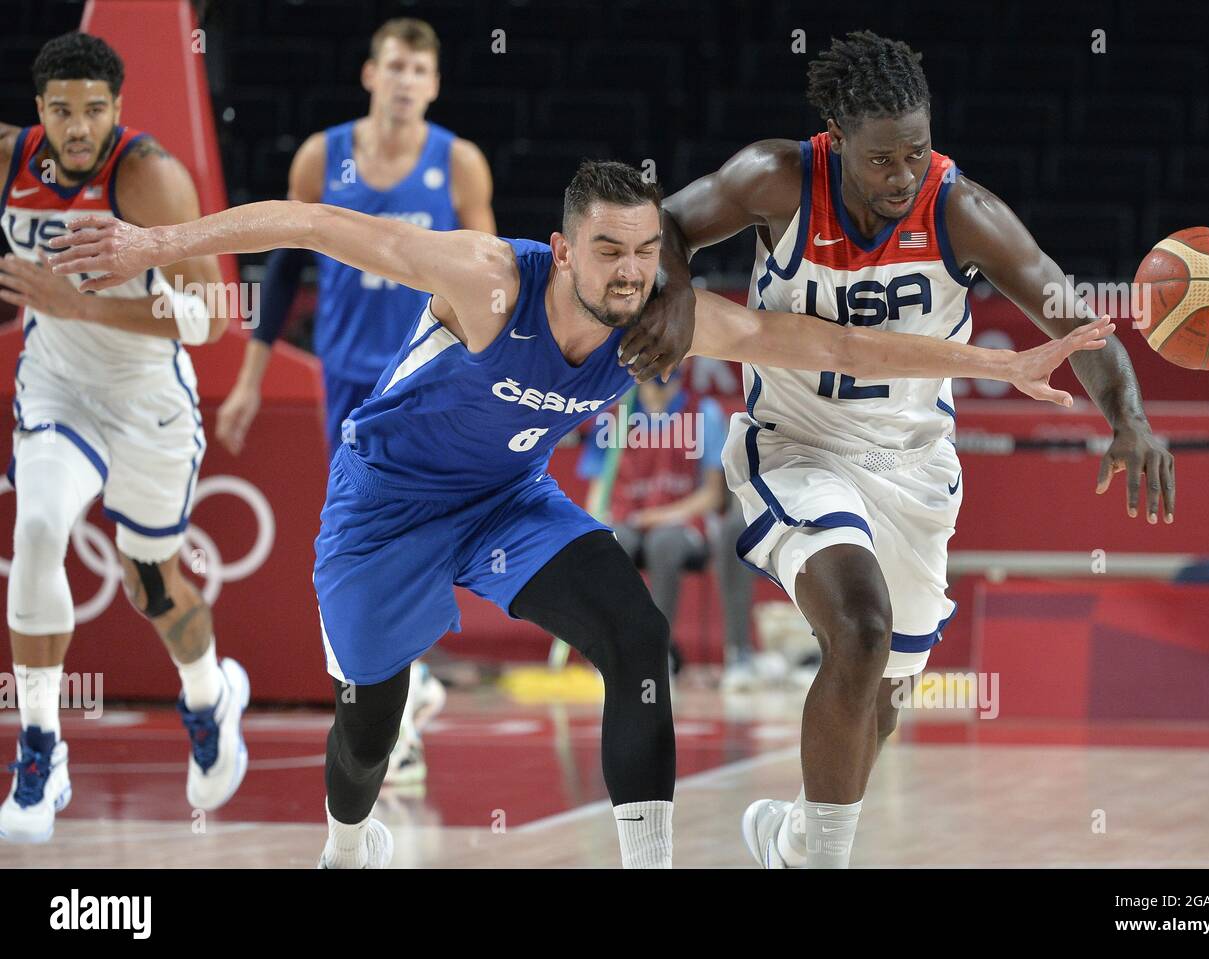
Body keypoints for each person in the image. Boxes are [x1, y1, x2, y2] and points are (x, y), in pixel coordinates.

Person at [48, 159, 1110, 868]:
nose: (632, 272)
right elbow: (319, 223)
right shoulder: (484, 280)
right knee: (368, 720)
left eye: (645, 253)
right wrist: (160, 244)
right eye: (608, 252)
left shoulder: (656, 319)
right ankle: (345, 842)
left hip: (508, 502)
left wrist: (995, 361)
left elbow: (828, 347)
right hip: (385, 506)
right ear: (563, 251)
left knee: (636, 636)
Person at [652, 30, 1177, 868]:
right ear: (834, 136)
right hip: (795, 444)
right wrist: (671, 305)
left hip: (912, 467)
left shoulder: (960, 210)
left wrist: (1130, 413)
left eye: (917, 152)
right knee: (859, 628)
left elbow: (1074, 317)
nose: (902, 177)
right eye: (881, 160)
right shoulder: (776, 177)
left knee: (885, 698)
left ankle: (792, 838)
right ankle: (824, 859)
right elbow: (668, 227)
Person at [215, 17, 495, 786]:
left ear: (434, 86)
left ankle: (398, 709)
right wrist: (249, 376)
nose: (406, 81)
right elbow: (281, 269)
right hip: (344, 379)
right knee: (361, 538)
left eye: (420, 71)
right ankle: (410, 691)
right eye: (395, 66)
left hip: (426, 376)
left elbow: (493, 278)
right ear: (370, 75)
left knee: (406, 534)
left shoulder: (458, 164)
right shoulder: (322, 156)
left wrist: (487, 376)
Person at [0, 33, 242, 843]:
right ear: (38, 111)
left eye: (93, 110)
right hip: (57, 388)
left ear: (117, 110)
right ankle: (41, 747)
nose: (77, 127)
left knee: (154, 588)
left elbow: (212, 317)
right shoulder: (7, 163)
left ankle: (208, 694)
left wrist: (81, 304)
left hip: (146, 401)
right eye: (62, 111)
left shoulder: (149, 178)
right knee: (36, 529)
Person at [578, 367, 759, 685]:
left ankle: (658, 652)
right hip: (628, 519)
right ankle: (614, 652)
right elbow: (598, 493)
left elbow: (713, 494)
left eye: (666, 385)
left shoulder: (704, 414)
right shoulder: (614, 419)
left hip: (684, 523)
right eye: (651, 387)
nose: (658, 395)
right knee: (612, 546)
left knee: (665, 543)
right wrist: (589, 536)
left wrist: (659, 517)